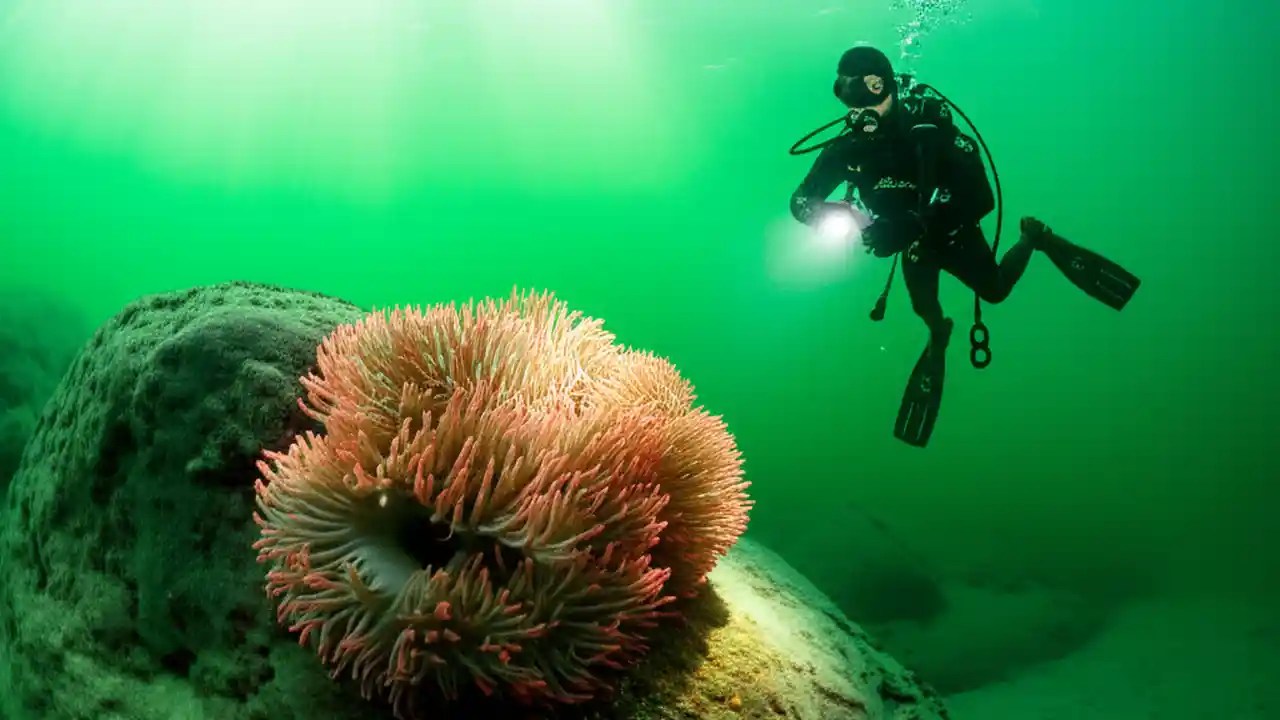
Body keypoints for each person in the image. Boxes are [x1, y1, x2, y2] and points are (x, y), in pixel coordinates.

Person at [789, 45, 1140, 447]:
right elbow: (800, 201)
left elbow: (982, 199)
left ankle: (1034, 238)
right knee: (924, 308)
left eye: (870, 100)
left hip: (952, 231)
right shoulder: (848, 147)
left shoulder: (932, 134)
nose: (861, 116)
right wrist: (840, 215)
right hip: (913, 243)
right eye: (849, 103)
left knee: (995, 291)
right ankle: (939, 331)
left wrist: (914, 223)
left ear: (883, 86)